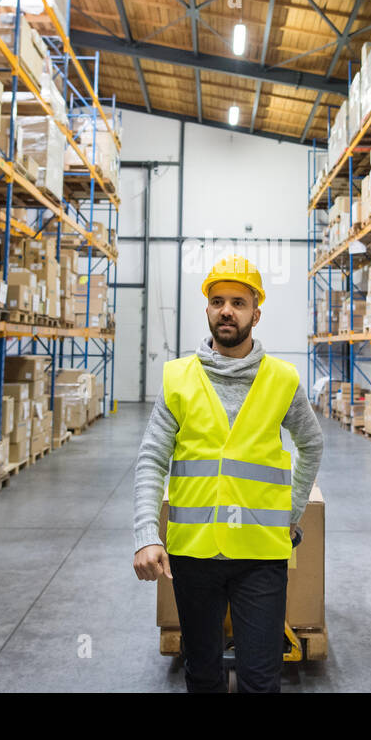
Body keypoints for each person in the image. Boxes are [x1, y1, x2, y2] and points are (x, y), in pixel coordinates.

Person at [132, 254, 324, 693]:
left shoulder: (282, 379)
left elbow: (311, 444)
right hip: (193, 555)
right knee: (202, 675)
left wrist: (292, 512)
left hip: (260, 555)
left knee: (260, 678)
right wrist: (146, 533)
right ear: (207, 309)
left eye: (238, 302)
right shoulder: (178, 378)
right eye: (218, 300)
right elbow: (151, 458)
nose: (227, 311)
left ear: (256, 312)